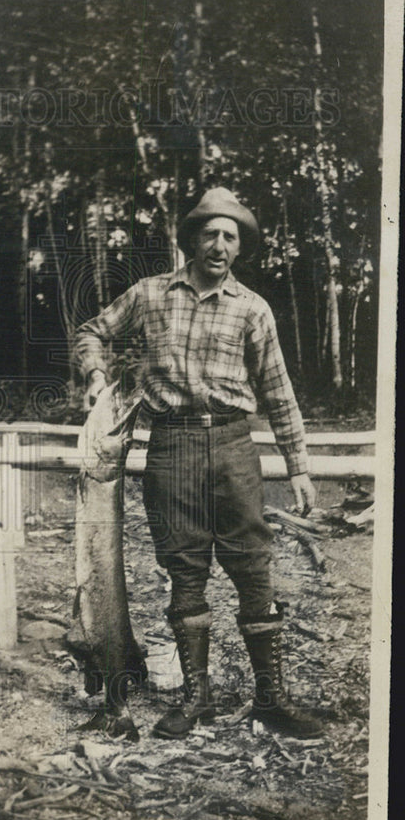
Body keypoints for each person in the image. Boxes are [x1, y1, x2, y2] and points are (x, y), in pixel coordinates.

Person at [74, 186, 323, 740]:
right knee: (184, 571)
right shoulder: (149, 294)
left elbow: (279, 394)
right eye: (209, 233)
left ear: (239, 248)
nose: (218, 244)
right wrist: (95, 375)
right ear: (191, 240)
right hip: (173, 446)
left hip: (234, 446)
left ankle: (270, 698)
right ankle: (196, 697)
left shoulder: (252, 308)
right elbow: (92, 332)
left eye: (229, 236)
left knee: (251, 567)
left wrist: (298, 466)